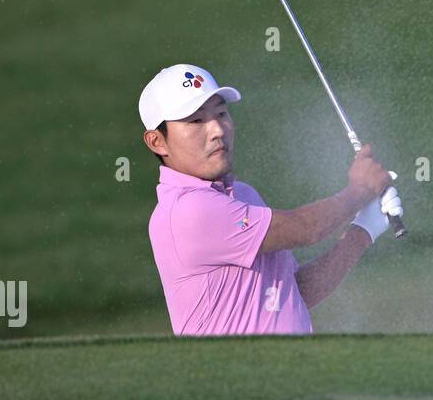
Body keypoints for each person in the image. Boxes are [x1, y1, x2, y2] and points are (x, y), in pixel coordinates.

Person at [137, 63, 400, 335]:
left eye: (221, 113)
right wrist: (359, 191)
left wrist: (364, 229)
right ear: (157, 141)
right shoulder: (187, 211)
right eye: (195, 120)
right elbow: (305, 229)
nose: (217, 130)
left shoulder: (243, 195)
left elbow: (296, 293)